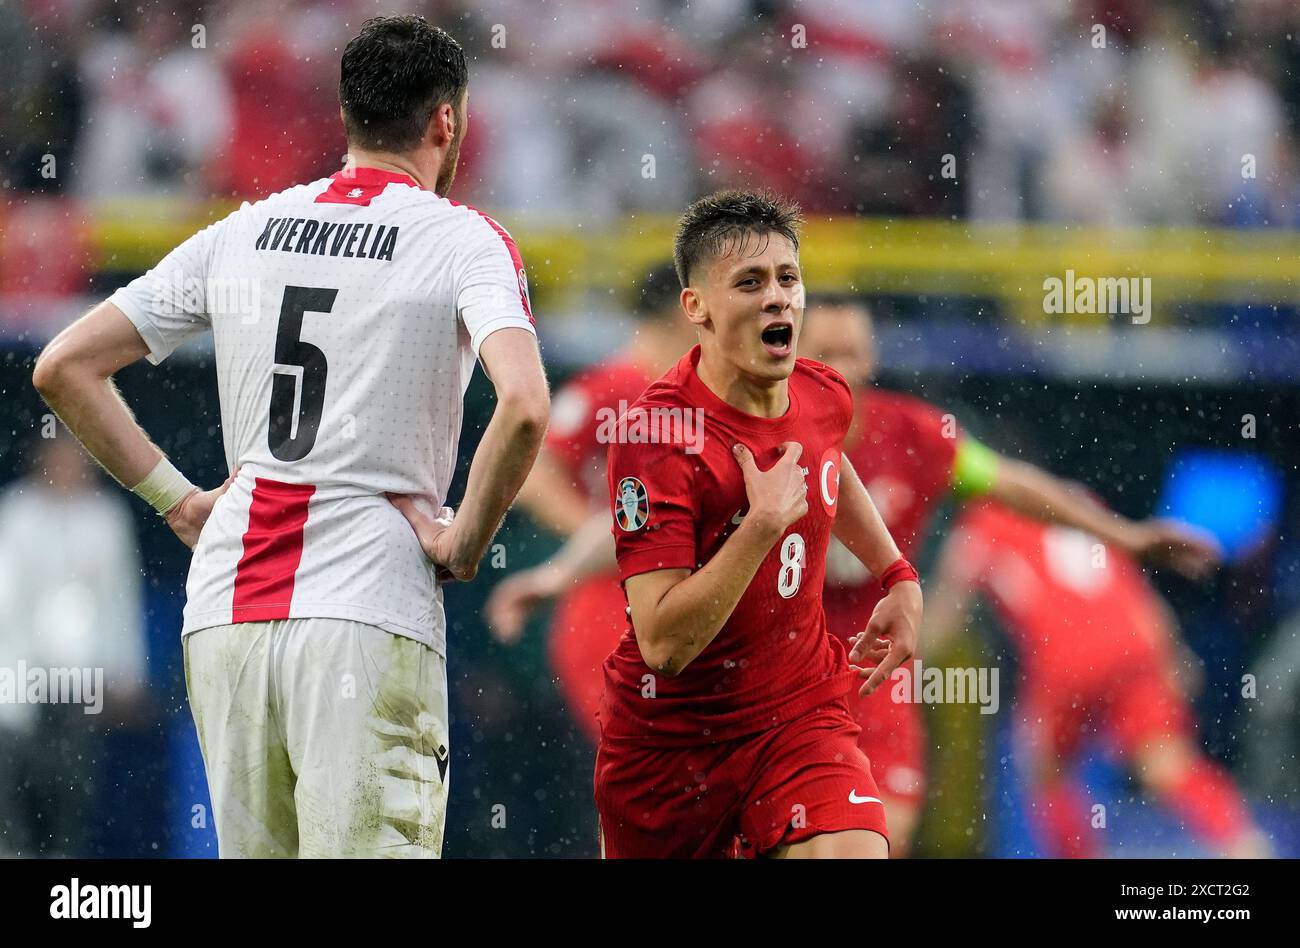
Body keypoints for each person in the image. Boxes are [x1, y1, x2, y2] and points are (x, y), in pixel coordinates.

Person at [31, 15, 549, 858]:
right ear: (446, 121)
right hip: (368, 602)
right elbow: (525, 405)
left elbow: (63, 367)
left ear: (346, 115)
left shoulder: (249, 227)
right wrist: (464, 541)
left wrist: (176, 500)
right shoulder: (464, 240)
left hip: (229, 604)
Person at [798, 298, 1220, 854]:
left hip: (880, 674)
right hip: (788, 671)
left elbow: (1010, 484)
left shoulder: (916, 435)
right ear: (793, 356)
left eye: (853, 352)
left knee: (884, 838)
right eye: (827, 353)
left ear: (874, 358)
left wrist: (1126, 535)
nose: (843, 369)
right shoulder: (762, 438)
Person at [596, 190, 922, 859]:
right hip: (672, 747)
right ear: (698, 310)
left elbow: (831, 463)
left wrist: (897, 573)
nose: (778, 298)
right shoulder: (656, 437)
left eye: (788, 279)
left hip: (798, 715)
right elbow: (663, 643)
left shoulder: (824, 391)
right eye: (750, 283)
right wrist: (761, 524)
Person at [923, 500, 1272, 858]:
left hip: (1067, 654)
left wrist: (909, 661)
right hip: (1132, 643)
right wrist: (1173, 652)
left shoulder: (983, 523)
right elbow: (1131, 584)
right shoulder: (1074, 504)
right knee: (1167, 761)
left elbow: (949, 606)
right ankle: (1243, 843)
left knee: (1044, 771)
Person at [485, 262, 696, 743]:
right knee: (645, 771)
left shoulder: (697, 389)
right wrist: (611, 537)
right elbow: (535, 474)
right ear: (684, 311)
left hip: (673, 597)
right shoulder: (613, 388)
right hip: (609, 601)